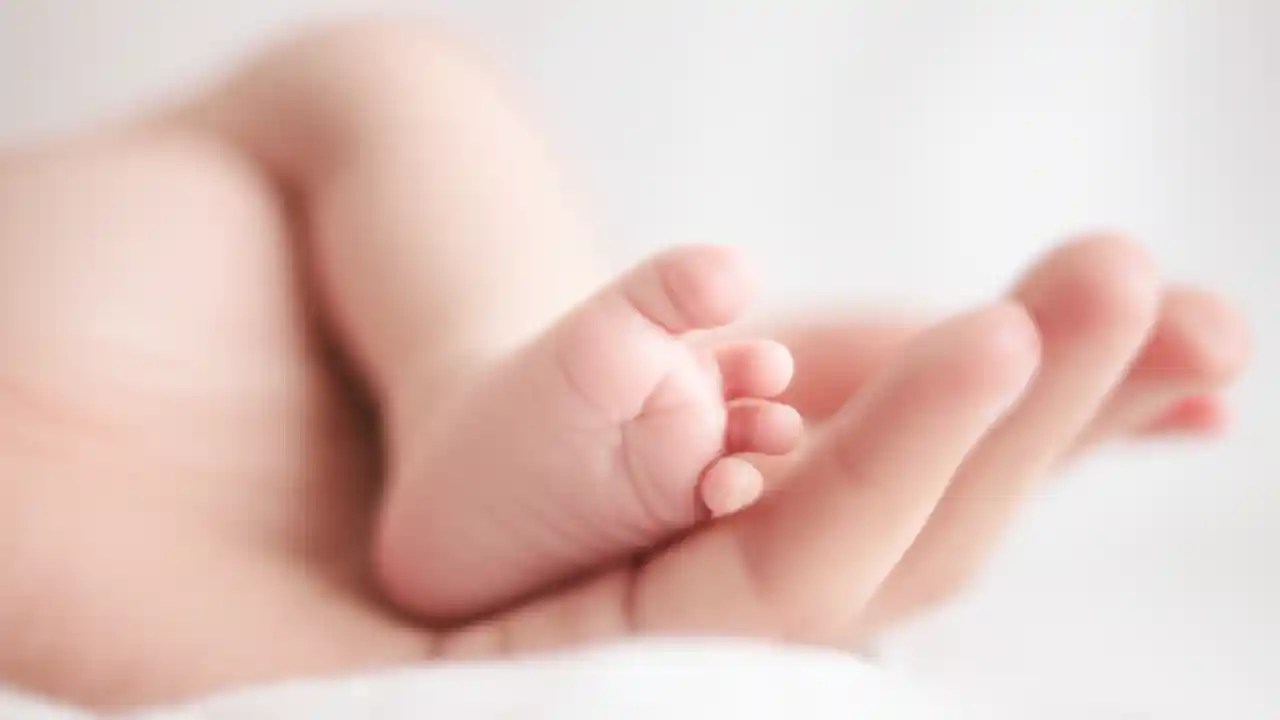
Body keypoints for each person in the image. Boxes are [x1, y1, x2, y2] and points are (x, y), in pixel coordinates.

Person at [0, 19, 1249, 710]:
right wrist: (433, 677)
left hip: (246, 300)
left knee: (378, 83)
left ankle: (469, 382)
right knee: (376, 81)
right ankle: (487, 416)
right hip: (192, 554)